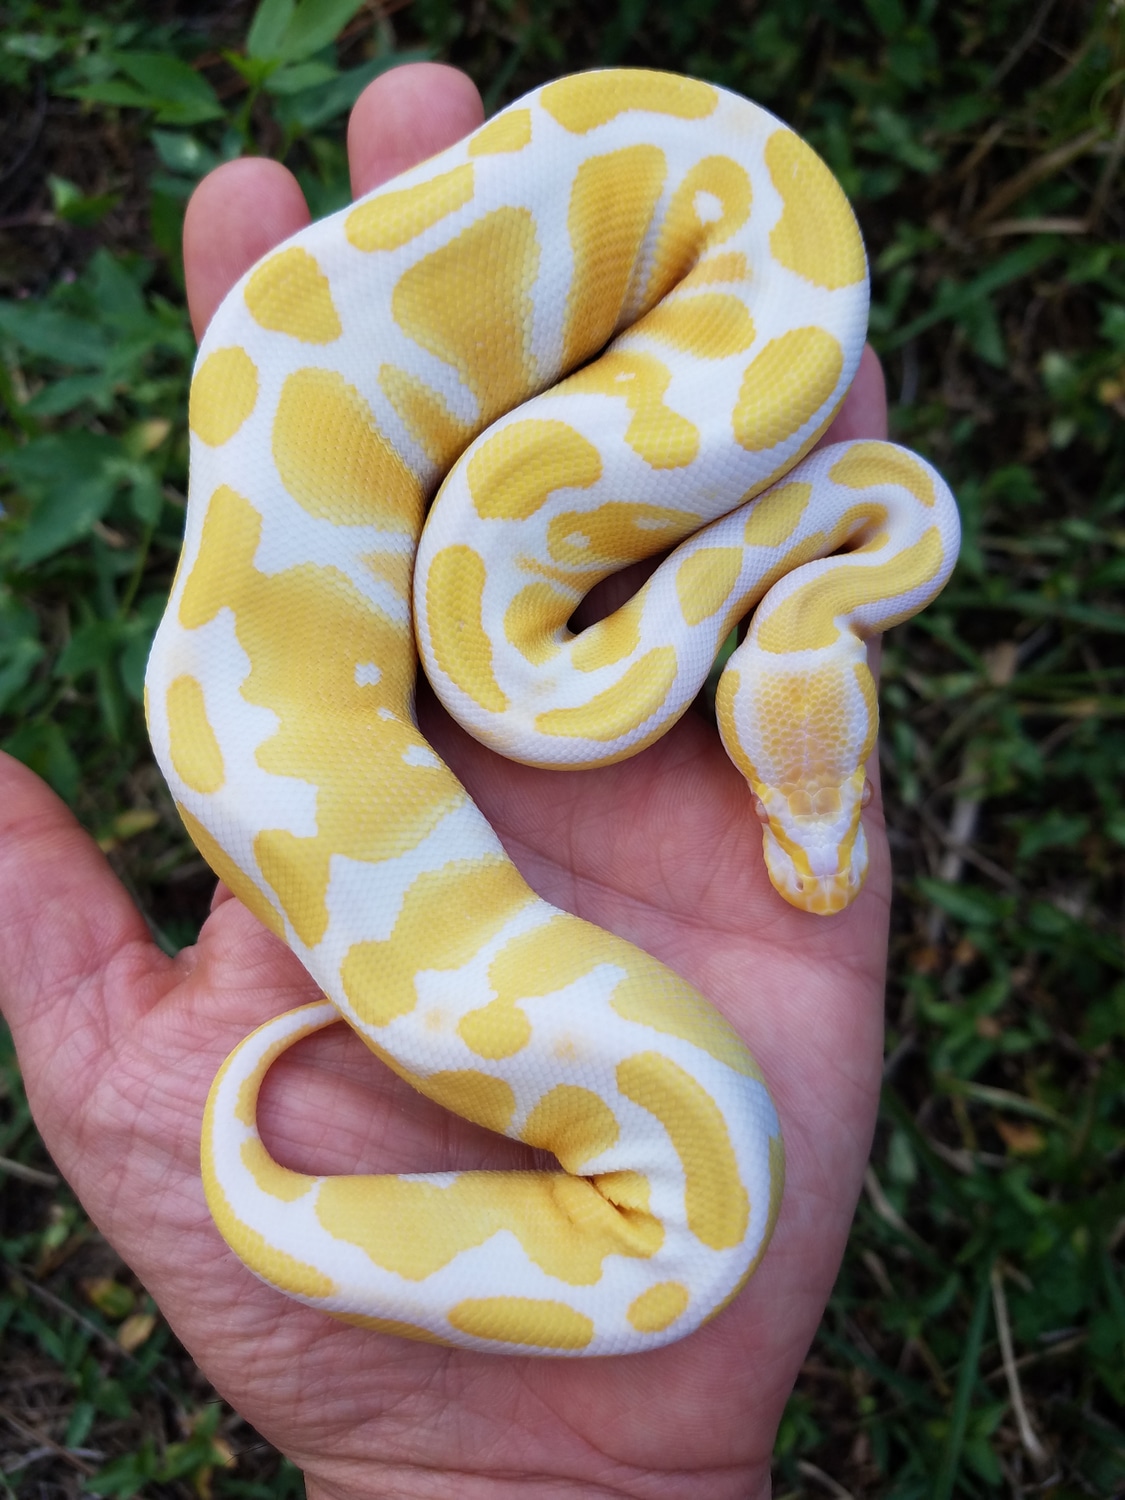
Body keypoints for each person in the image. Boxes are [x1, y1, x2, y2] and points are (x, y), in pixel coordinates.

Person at [0, 62, 894, 1500]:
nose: (806, 842)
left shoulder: (755, 556)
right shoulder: (861, 514)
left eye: (803, 802)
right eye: (811, 794)